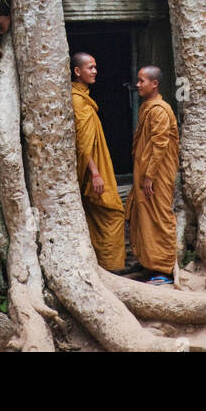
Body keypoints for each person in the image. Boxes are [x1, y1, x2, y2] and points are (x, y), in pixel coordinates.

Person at [70, 52, 126, 271]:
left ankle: (103, 265)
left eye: (95, 67)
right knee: (114, 212)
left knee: (99, 214)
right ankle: (110, 267)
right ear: (77, 71)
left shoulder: (83, 97)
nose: (95, 71)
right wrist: (94, 173)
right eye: (90, 67)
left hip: (97, 164)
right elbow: (83, 143)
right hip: (92, 168)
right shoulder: (77, 100)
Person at [125, 65, 180, 284]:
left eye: (142, 81)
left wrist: (149, 175)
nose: (137, 85)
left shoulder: (159, 110)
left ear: (154, 84)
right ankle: (150, 265)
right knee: (146, 219)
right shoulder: (148, 107)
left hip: (156, 176)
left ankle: (164, 270)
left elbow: (159, 142)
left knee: (160, 218)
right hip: (147, 174)